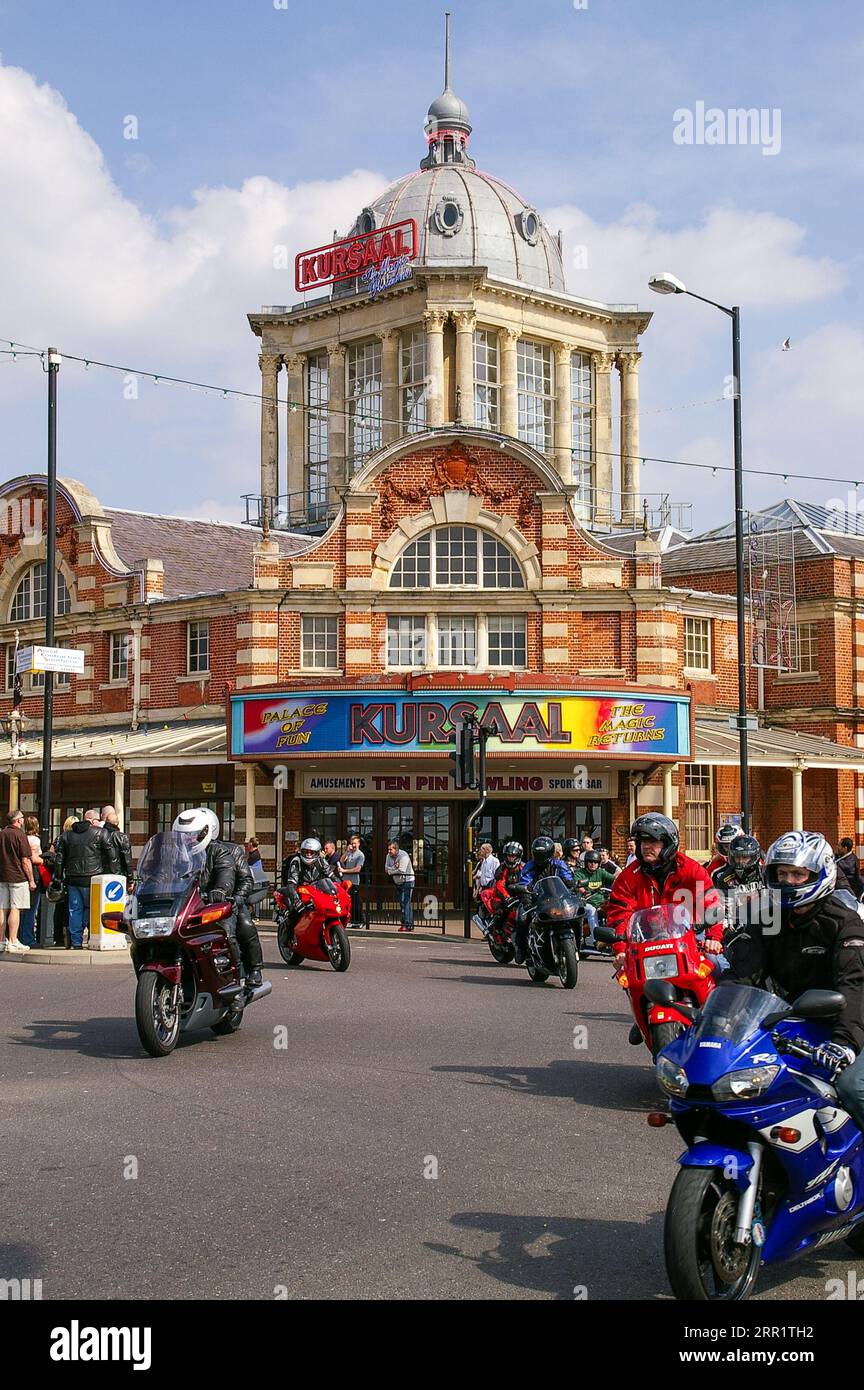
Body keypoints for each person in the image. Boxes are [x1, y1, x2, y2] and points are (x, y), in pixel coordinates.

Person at [726, 831, 864, 1136]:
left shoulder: (844, 924)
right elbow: (744, 974)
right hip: (798, 1023)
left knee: (853, 1088)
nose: (788, 881)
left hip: (851, 1026)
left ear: (821, 873)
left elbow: (853, 988)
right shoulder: (765, 919)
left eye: (799, 874)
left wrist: (844, 1044)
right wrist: (712, 1013)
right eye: (783, 873)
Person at [607, 814, 723, 970]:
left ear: (668, 843)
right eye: (642, 841)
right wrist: (621, 950)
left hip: (691, 938)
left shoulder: (692, 871)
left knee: (715, 965)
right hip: (646, 943)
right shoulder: (628, 877)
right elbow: (620, 913)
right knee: (631, 979)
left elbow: (712, 905)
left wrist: (713, 938)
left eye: (653, 841)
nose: (646, 846)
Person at [174, 808, 264, 990]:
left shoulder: (227, 851)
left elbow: (240, 878)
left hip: (224, 903)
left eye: (194, 833)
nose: (190, 838)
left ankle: (245, 973)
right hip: (190, 905)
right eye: (187, 834)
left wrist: (231, 897)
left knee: (243, 926)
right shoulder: (180, 854)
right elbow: (165, 875)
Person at [513, 835, 576, 964]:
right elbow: (524, 882)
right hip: (536, 900)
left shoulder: (559, 864)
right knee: (522, 917)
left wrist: (572, 886)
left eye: (543, 854)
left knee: (577, 912)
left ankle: (578, 941)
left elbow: (568, 879)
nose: (541, 857)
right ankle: (521, 948)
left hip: (556, 899)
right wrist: (525, 896)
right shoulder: (530, 866)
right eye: (538, 854)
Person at [54, 811, 111, 949]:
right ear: (91, 820)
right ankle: (92, 937)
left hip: (73, 879)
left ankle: (76, 941)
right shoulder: (100, 833)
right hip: (94, 878)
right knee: (92, 909)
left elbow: (59, 859)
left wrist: (58, 878)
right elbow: (110, 856)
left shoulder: (66, 836)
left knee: (75, 910)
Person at [280, 836, 338, 941]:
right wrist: (296, 900)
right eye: (306, 852)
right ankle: (287, 936)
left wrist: (339, 886)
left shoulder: (320, 860)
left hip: (316, 891)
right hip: (300, 891)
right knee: (296, 912)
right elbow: (291, 883)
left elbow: (331, 875)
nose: (309, 855)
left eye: (311, 853)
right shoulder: (296, 861)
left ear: (317, 853)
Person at [712, 833, 764, 940]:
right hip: (739, 930)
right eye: (737, 857)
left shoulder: (764, 874)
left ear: (754, 857)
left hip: (765, 924)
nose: (740, 862)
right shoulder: (725, 879)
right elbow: (724, 909)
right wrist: (727, 930)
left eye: (745, 857)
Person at [0, 809, 37, 953]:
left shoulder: (2, 834)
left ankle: (2, 940)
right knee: (15, 908)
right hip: (18, 877)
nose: (23, 820)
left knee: (2, 908)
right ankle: (13, 940)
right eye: (22, 818)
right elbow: (26, 860)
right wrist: (31, 880)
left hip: (3, 876)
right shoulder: (20, 835)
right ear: (18, 820)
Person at [572, 848, 617, 951]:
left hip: (600, 902)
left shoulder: (601, 872)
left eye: (596, 862)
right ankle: (596, 940)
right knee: (592, 911)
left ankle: (614, 939)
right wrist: (584, 891)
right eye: (591, 862)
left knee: (613, 909)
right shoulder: (580, 873)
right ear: (586, 863)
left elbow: (614, 879)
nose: (593, 864)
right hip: (585, 902)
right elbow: (579, 885)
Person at [18, 814, 46, 948]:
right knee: (31, 908)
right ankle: (28, 938)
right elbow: (32, 858)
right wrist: (44, 860)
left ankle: (20, 936)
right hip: (33, 873)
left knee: (22, 908)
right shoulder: (35, 840)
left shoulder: (22, 838)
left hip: (21, 874)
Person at [385, 839, 415, 933]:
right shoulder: (388, 856)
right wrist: (394, 868)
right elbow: (386, 868)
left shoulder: (404, 856)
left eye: (391, 850)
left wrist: (391, 870)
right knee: (402, 902)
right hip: (397, 881)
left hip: (408, 880)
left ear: (396, 849)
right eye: (388, 849)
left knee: (405, 901)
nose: (389, 851)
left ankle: (406, 924)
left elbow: (401, 870)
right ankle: (409, 923)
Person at [101, 805, 133, 890]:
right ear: (117, 823)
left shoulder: (99, 835)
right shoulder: (121, 837)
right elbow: (127, 860)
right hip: (118, 874)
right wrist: (130, 880)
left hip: (101, 874)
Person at [339, 834, 366, 927]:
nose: (353, 845)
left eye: (355, 843)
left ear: (358, 844)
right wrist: (346, 851)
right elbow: (342, 860)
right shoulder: (350, 853)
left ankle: (360, 921)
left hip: (354, 882)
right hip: (346, 882)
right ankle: (351, 920)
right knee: (348, 902)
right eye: (352, 843)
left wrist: (344, 871)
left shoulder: (360, 855)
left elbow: (357, 869)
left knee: (356, 902)